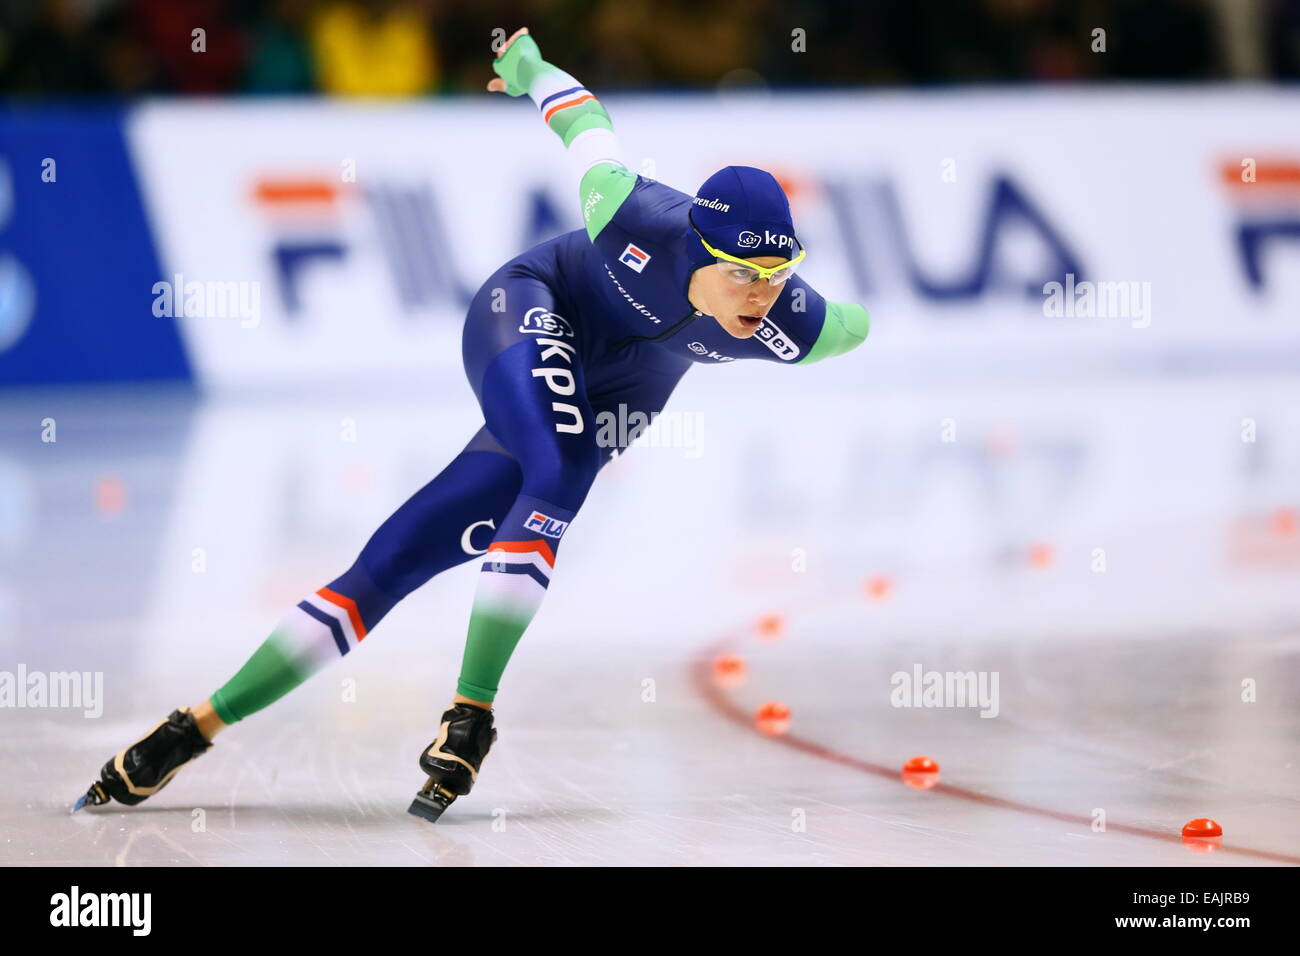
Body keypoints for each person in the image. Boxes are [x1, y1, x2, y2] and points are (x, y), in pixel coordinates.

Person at [73, 27, 870, 822]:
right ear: (697, 245)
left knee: (395, 560)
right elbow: (585, 122)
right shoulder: (631, 213)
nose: (761, 294)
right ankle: (472, 714)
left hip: (621, 395)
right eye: (742, 274)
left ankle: (188, 731)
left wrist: (839, 315)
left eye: (777, 274)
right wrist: (527, 66)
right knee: (556, 471)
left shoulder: (791, 326)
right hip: (529, 308)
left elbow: (853, 326)